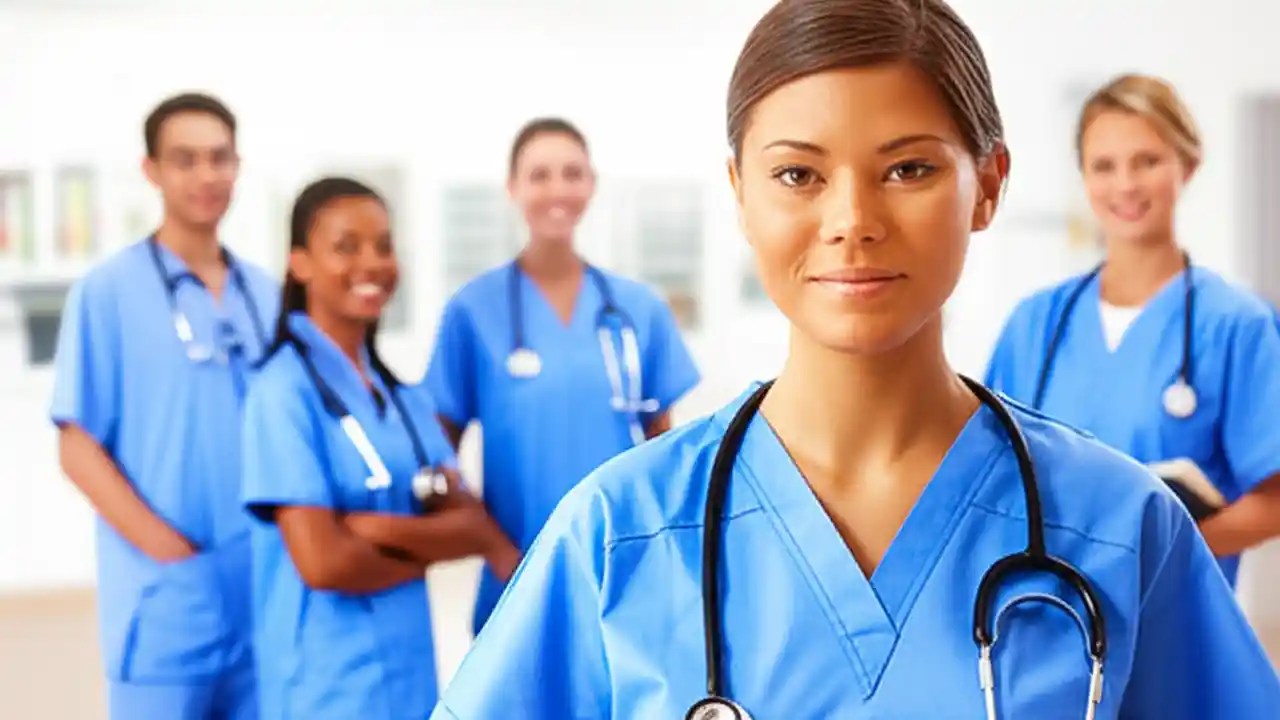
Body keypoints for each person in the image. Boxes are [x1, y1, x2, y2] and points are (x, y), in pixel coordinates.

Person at [429, 1, 1280, 718]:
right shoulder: (618, 534)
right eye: (798, 175)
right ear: (740, 196)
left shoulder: (1121, 526)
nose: (852, 220)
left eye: (908, 169)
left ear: (988, 185)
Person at [239, 177, 520, 719]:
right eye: (346, 246)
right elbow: (324, 564)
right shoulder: (281, 393)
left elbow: (473, 526)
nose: (372, 262)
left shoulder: (402, 399)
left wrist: (373, 527)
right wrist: (429, 551)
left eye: (384, 246)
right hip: (323, 689)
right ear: (299, 263)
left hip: (406, 680)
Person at [984, 73, 1280, 588]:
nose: (1125, 184)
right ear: (1084, 176)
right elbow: (986, 472)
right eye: (1104, 166)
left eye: (1147, 161)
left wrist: (1150, 551)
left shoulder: (1235, 324)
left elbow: (1274, 504)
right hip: (1051, 615)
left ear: (1187, 165)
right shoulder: (1036, 324)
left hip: (1180, 617)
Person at [424, 116, 702, 633]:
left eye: (572, 173)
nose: (557, 189)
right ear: (512, 188)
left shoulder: (638, 310)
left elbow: (664, 451)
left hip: (623, 569)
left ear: (591, 185)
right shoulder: (473, 311)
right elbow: (438, 459)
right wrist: (495, 548)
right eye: (540, 175)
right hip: (518, 574)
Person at [49, 92, 273, 720]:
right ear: (152, 170)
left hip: (260, 590)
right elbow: (76, 445)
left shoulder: (266, 294)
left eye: (219, 158)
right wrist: (173, 555)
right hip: (166, 598)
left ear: (237, 165)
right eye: (186, 160)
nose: (206, 176)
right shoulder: (108, 292)